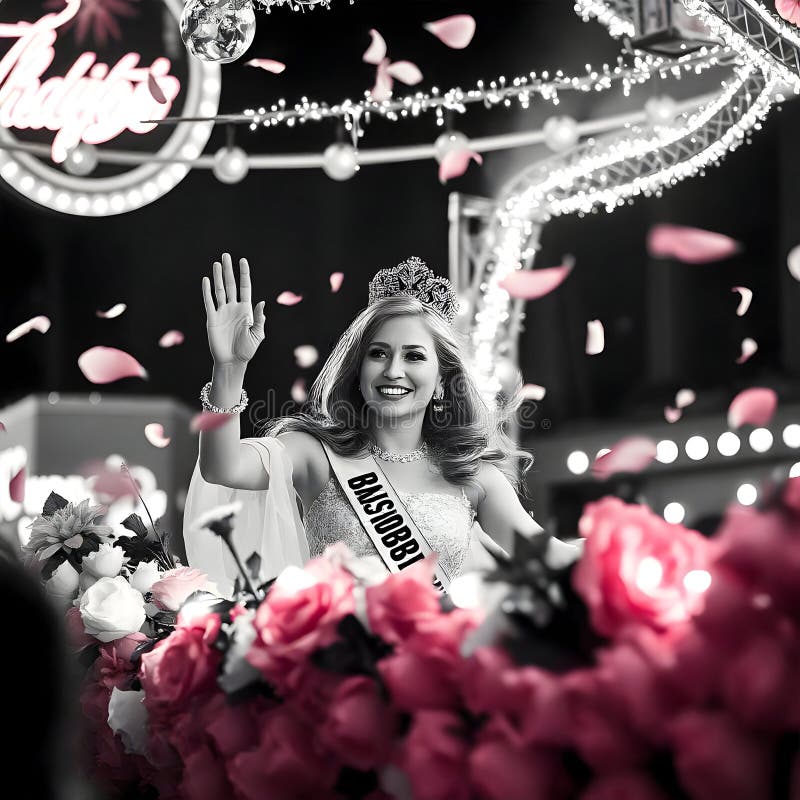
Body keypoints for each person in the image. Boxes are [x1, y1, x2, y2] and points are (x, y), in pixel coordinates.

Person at [183, 253, 545, 596]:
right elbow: (222, 466)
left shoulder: (473, 475)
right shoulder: (316, 453)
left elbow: (549, 558)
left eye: (414, 356)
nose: (393, 370)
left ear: (441, 379)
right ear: (358, 371)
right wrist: (229, 370)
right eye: (378, 353)